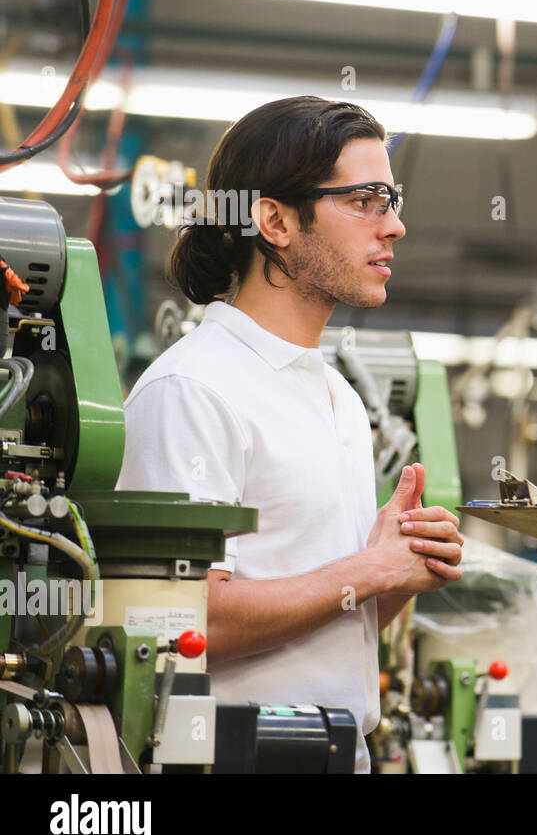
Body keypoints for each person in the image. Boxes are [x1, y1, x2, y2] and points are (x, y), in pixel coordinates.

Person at [117, 96, 464, 773]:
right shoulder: (192, 389)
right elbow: (184, 622)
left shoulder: (336, 396)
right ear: (273, 218)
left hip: (341, 753)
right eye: (365, 199)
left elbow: (335, 627)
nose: (394, 225)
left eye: (390, 199)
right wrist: (366, 570)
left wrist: (398, 571)